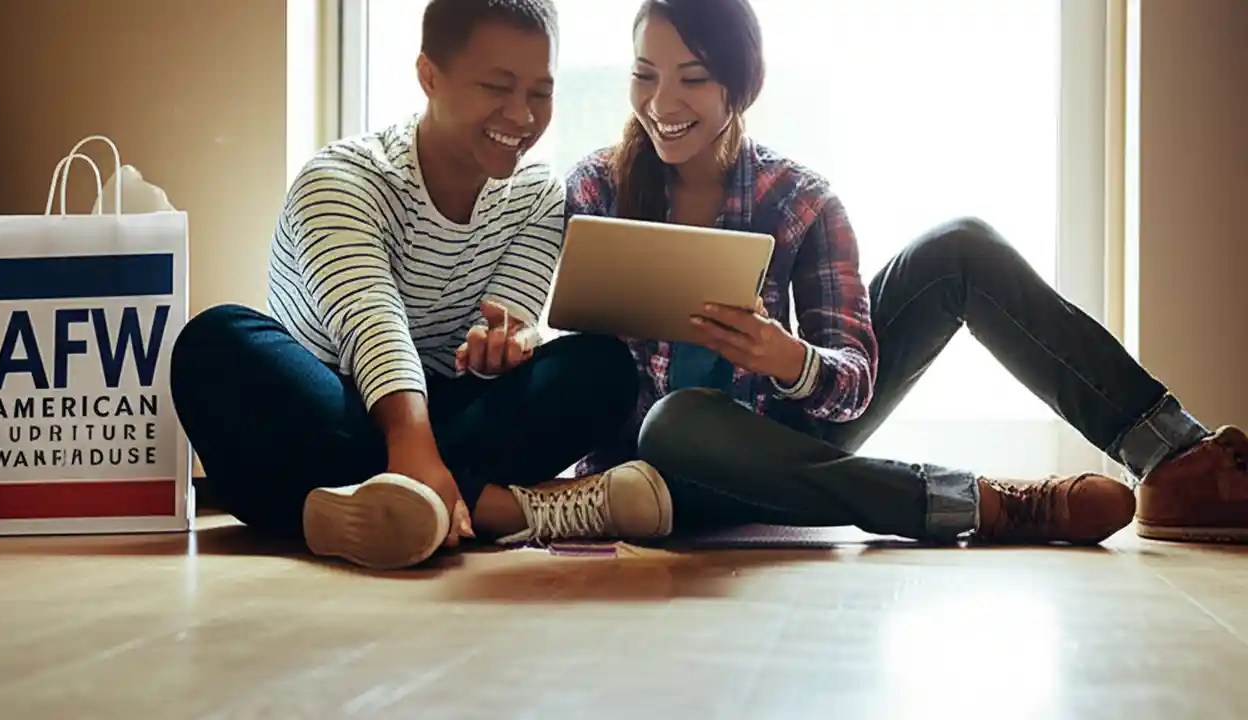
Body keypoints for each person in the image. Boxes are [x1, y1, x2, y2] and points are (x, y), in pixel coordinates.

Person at [566, 0, 1248, 545]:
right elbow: (570, 368)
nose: (661, 102)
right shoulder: (597, 188)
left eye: (692, 78)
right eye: (643, 74)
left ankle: (1177, 460)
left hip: (791, 443)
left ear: (740, 86)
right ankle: (980, 503)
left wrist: (791, 360)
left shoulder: (799, 200)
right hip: (656, 475)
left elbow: (852, 385)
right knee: (673, 421)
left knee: (959, 247)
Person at [169, 0, 673, 571]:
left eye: (540, 93)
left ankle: (357, 511)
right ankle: (498, 510)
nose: (522, 116)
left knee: (601, 366)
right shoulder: (341, 181)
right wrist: (412, 449)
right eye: (497, 87)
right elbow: (372, 324)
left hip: (445, 410)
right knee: (215, 343)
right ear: (429, 75)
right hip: (335, 403)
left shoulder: (537, 195)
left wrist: (496, 356)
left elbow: (504, 326)